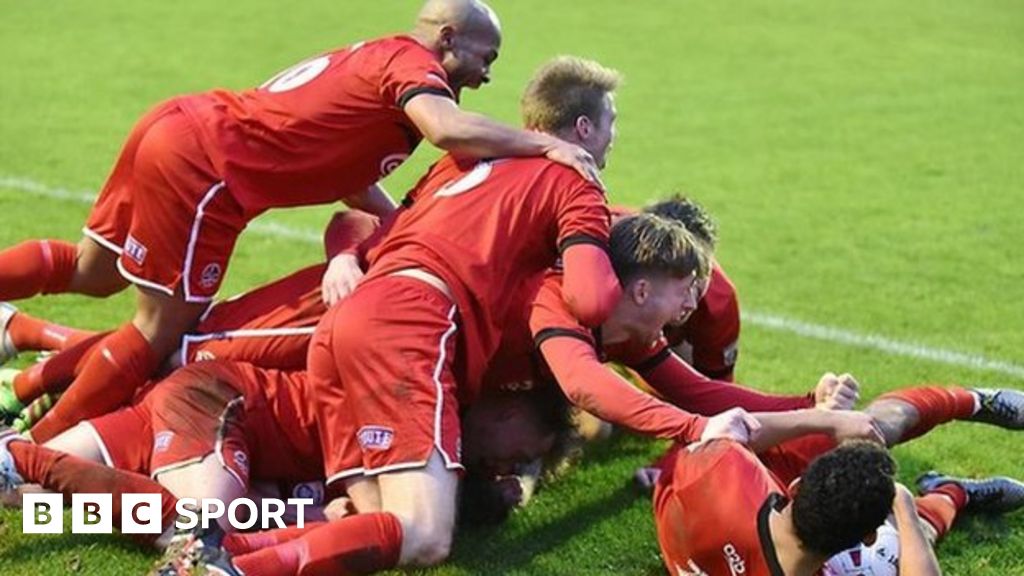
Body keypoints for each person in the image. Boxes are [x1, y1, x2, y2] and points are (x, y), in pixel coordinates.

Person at [0, 0, 602, 445]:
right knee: (160, 332)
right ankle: (28, 445)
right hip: (208, 174)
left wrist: (402, 224)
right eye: (485, 57)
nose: (487, 74)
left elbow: (342, 173)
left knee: (92, 272)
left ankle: (18, 344)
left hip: (178, 128)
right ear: (448, 38)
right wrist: (540, 145)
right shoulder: (414, 71)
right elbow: (444, 128)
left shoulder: (377, 62)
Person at [0, 210, 380, 428]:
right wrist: (345, 256)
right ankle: (24, 443)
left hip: (320, 364)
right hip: (304, 318)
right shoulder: (437, 196)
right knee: (165, 353)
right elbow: (360, 217)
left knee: (160, 348)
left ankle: (22, 337)